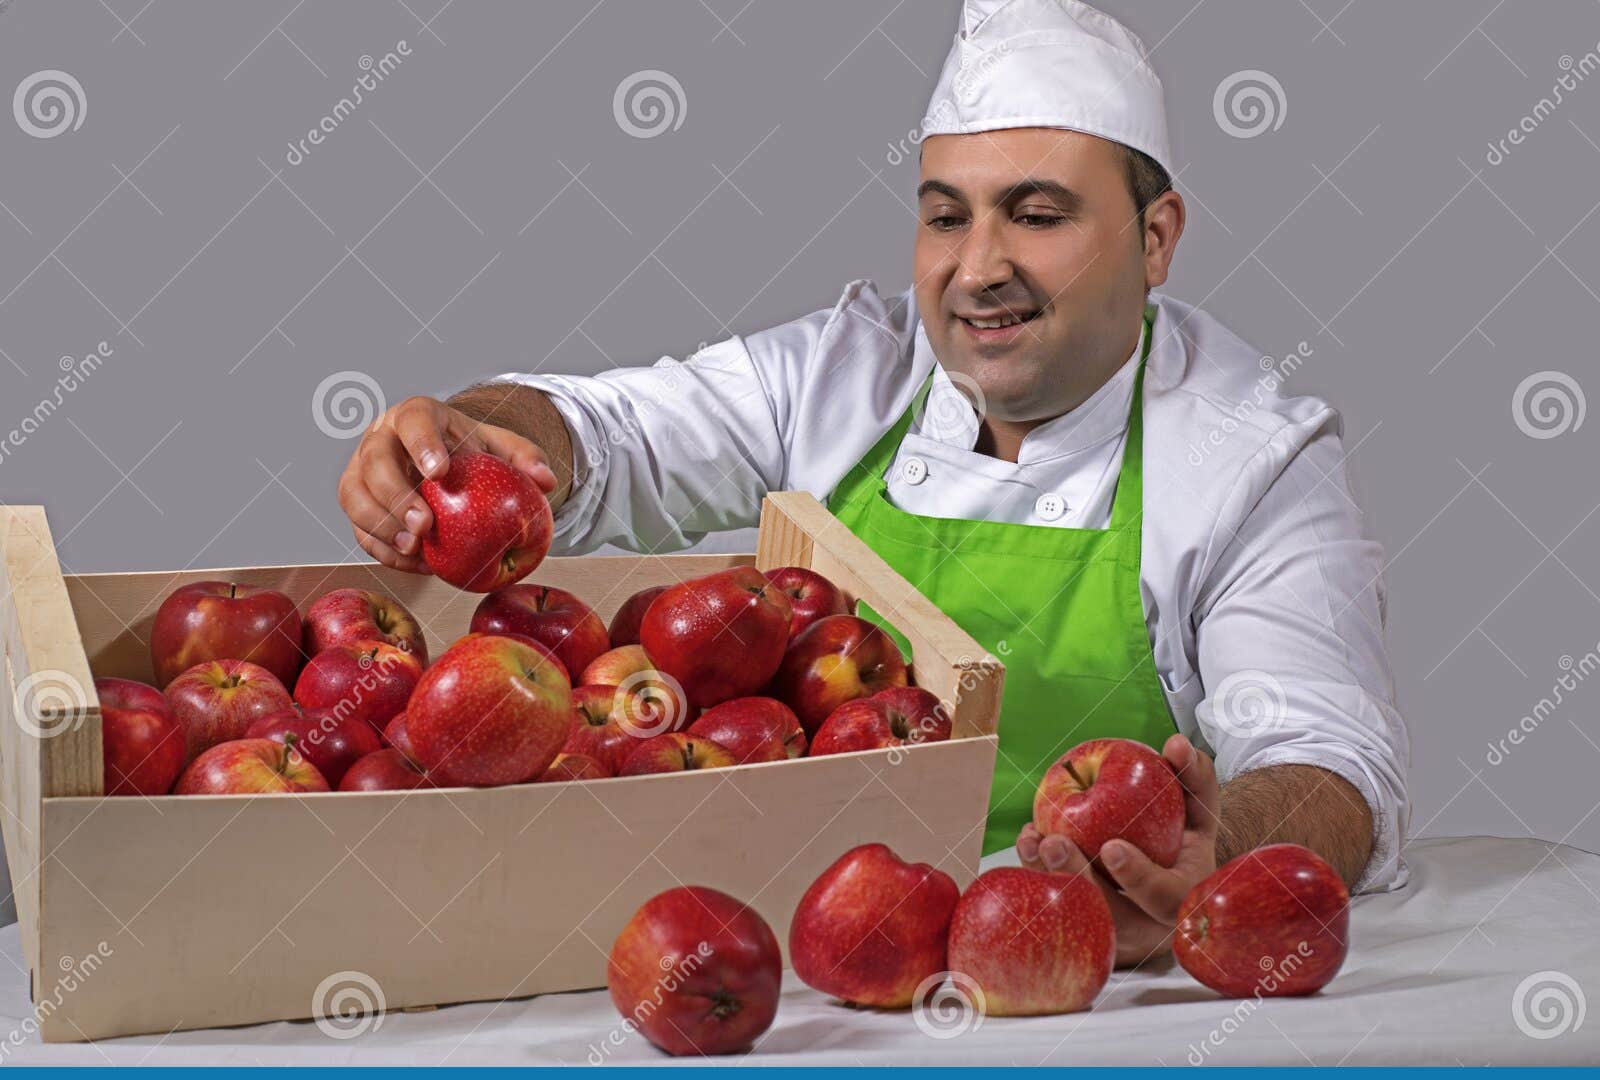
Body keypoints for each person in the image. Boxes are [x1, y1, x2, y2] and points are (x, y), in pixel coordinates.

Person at [338, 0, 1408, 964]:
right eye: (946, 216)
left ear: (1156, 237)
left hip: (1093, 986)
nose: (977, 266)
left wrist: (1228, 848)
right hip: (798, 958)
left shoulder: (1249, 459)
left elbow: (1327, 758)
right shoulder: (843, 373)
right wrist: (486, 435)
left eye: (1037, 216)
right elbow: (597, 432)